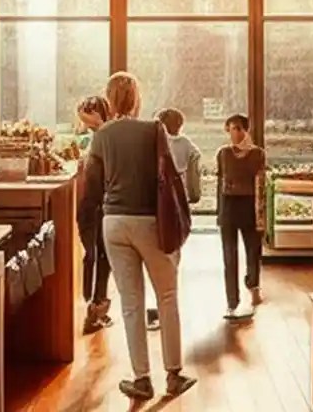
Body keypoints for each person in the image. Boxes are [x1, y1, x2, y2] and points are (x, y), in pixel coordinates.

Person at [83, 72, 196, 400]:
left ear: (110, 98)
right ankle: (173, 375)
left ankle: (141, 380)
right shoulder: (153, 130)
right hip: (150, 222)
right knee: (167, 296)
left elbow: (93, 186)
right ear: (136, 98)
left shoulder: (101, 135)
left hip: (114, 223)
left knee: (131, 304)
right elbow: (168, 175)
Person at [216, 113, 266, 320]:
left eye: (238, 128)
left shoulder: (258, 154)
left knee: (253, 250)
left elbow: (261, 185)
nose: (234, 133)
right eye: (231, 129)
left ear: (246, 130)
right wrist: (218, 212)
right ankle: (231, 301)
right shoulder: (223, 153)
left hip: (249, 206)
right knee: (229, 255)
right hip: (228, 206)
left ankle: (253, 285)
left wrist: (262, 215)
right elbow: (220, 182)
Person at [75, 95, 114, 334]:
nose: (84, 125)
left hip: (97, 205)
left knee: (97, 256)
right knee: (96, 256)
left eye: (87, 119)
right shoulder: (100, 137)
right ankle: (94, 307)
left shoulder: (103, 137)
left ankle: (94, 306)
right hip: (94, 206)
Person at [156, 108, 202, 205]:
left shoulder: (159, 140)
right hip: (180, 180)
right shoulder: (184, 141)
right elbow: (195, 155)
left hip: (162, 181)